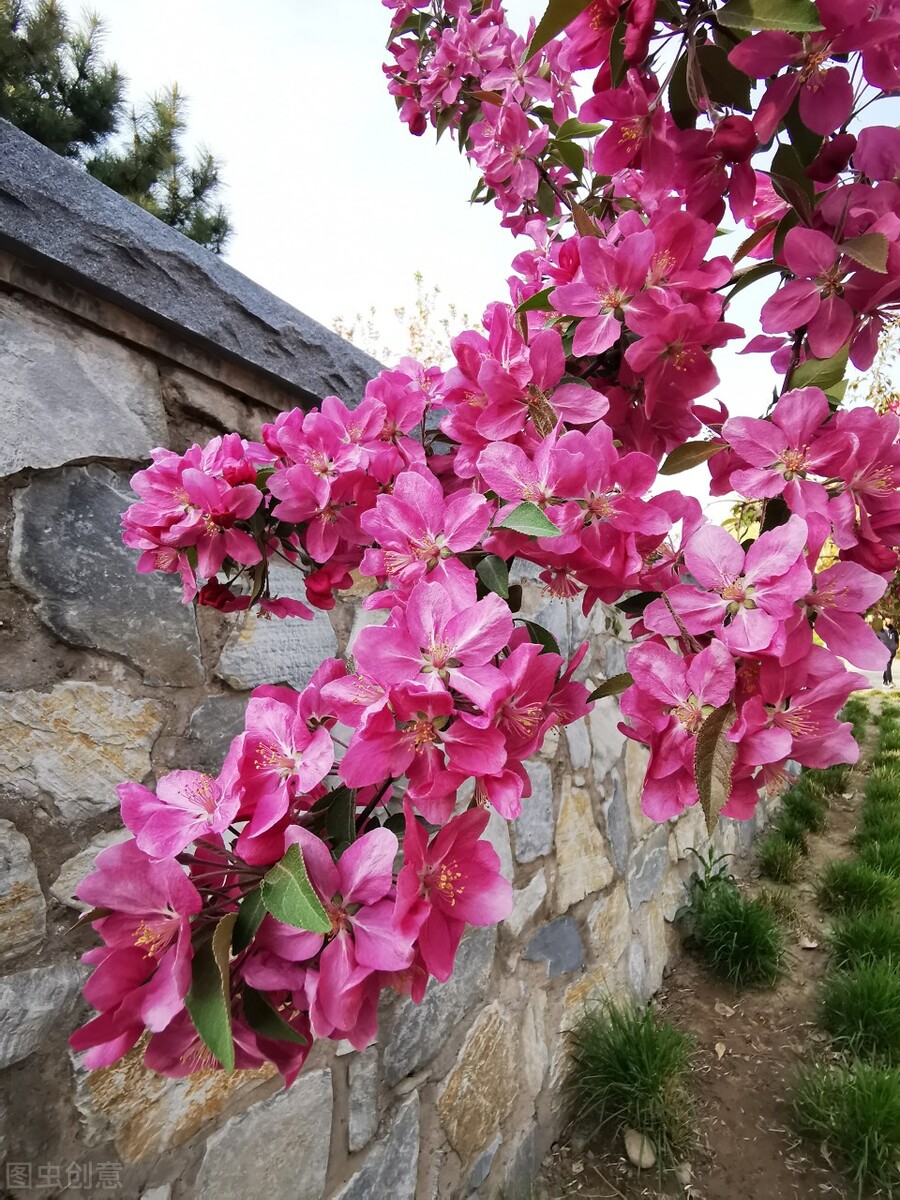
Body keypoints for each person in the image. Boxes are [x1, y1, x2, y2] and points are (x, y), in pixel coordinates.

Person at [877, 618, 899, 686]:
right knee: (888, 665)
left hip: (892, 652)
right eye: (887, 620)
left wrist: (896, 647)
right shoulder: (879, 632)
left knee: (888, 666)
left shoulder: (894, 631)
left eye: (890, 620)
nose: (889, 622)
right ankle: (890, 681)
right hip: (884, 652)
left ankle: (885, 680)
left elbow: (897, 641)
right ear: (883, 622)